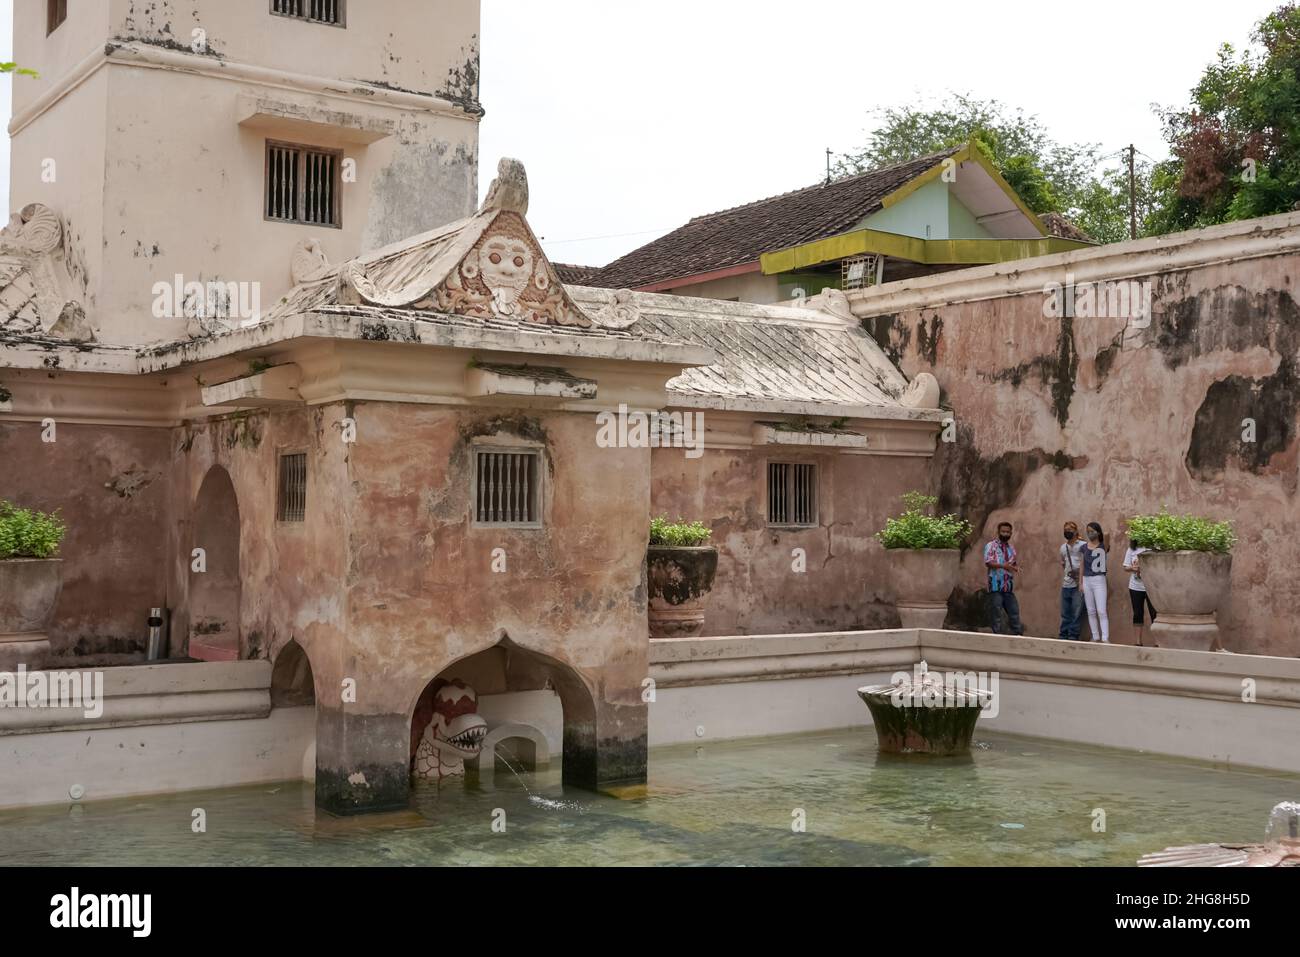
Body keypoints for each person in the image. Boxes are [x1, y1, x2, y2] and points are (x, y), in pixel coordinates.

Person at [983, 521, 1024, 635]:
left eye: (1008, 532)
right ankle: (997, 636)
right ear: (998, 532)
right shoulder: (991, 546)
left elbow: (1012, 564)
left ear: (1011, 533)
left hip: (1008, 586)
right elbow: (988, 562)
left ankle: (1018, 635)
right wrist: (1003, 566)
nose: (1005, 534)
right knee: (996, 612)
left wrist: (1015, 568)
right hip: (996, 585)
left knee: (1014, 611)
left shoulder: (1011, 548)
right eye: (1003, 532)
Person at [1123, 537, 1157, 646]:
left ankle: (1158, 642)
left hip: (1151, 586)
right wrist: (1134, 568)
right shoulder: (1132, 549)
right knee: (1137, 613)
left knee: (1154, 614)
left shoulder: (1154, 548)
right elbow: (1125, 567)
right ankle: (1138, 642)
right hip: (1135, 587)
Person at [1081, 521, 1110, 643]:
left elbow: (1108, 534)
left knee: (1101, 610)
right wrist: (1080, 583)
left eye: (1092, 531)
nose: (1090, 534)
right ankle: (1095, 636)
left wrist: (1099, 534)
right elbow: (1081, 565)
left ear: (1098, 532)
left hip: (1099, 579)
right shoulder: (1083, 547)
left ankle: (1105, 637)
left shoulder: (1103, 546)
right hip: (1087, 579)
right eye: (1088, 532)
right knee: (1091, 610)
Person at [1059, 521, 1087, 640]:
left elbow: (1087, 563)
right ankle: (1063, 634)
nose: (1067, 532)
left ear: (1076, 531)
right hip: (1066, 583)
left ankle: (1073, 635)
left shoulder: (1083, 545)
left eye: (1070, 529)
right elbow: (1063, 563)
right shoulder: (1063, 547)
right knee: (1065, 612)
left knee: (1076, 612)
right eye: (1065, 529)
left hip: (1079, 583)